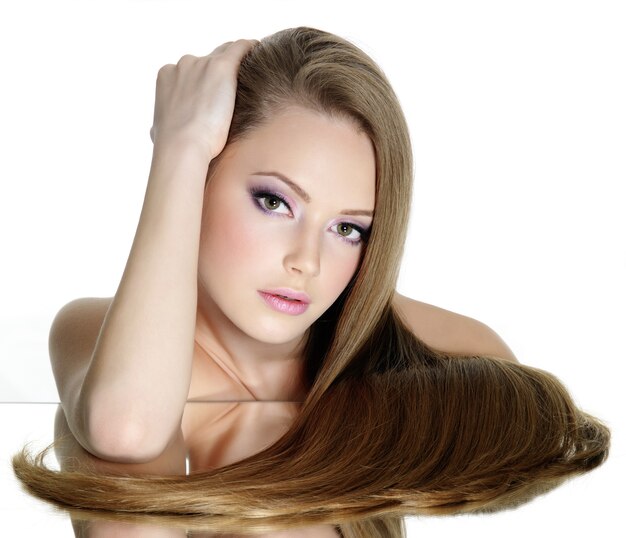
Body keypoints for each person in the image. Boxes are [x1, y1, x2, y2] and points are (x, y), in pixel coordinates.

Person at [13, 26, 609, 534]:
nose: (307, 262)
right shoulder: (93, 334)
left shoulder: (406, 348)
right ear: (200, 179)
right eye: (274, 202)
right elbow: (127, 426)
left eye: (348, 229)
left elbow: (541, 430)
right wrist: (179, 146)